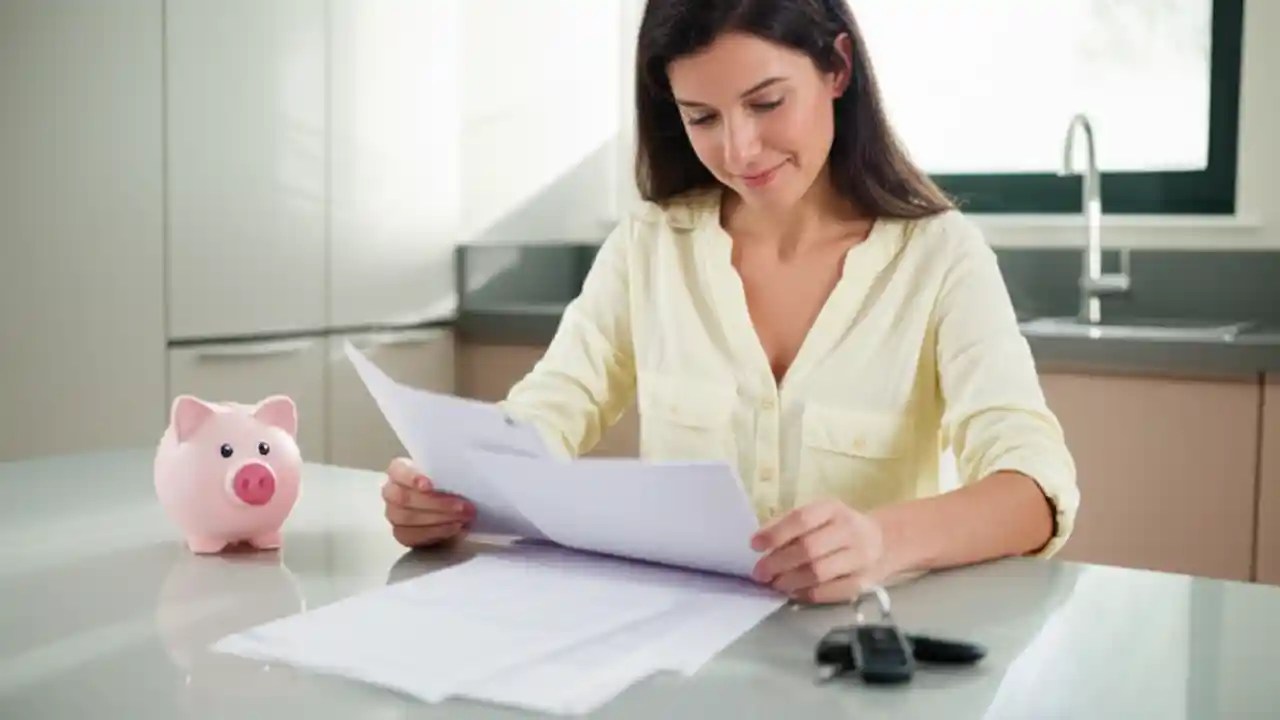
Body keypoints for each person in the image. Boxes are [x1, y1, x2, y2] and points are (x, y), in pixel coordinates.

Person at [380, 0, 1079, 604]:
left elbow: (1034, 489)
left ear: (837, 68)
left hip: (866, 666)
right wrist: (452, 487)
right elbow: (550, 408)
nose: (739, 148)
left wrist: (880, 541)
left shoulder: (940, 257)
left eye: (767, 103)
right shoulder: (650, 246)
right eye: (702, 116)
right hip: (686, 657)